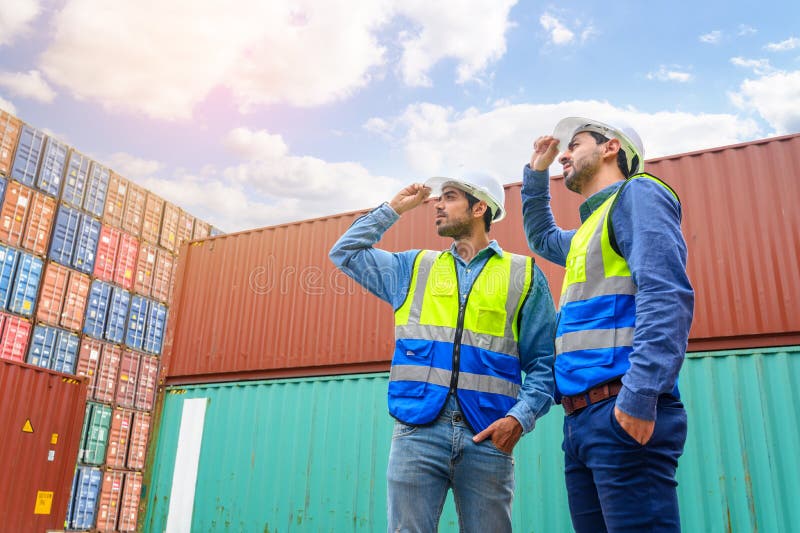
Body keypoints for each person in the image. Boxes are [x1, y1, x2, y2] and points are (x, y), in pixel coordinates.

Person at [329, 173, 556, 532]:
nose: (437, 203)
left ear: (479, 207)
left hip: (487, 435)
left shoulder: (523, 275)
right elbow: (345, 252)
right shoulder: (412, 267)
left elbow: (545, 364)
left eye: (449, 197)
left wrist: (519, 419)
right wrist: (393, 208)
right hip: (417, 432)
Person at [521, 117, 695, 532]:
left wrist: (639, 398)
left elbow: (665, 294)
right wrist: (536, 173)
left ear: (610, 147)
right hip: (581, 420)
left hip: (620, 406)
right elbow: (542, 236)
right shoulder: (587, 232)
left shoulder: (638, 194)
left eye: (575, 143)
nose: (564, 152)